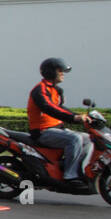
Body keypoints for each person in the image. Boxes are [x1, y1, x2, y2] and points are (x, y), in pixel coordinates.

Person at [28, 58, 90, 186]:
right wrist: (73, 118)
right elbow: (49, 108)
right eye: (60, 71)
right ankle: (70, 176)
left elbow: (60, 108)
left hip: (57, 129)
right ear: (51, 72)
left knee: (88, 139)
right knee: (75, 139)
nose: (62, 74)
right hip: (42, 132)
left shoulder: (56, 90)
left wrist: (77, 116)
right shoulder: (40, 90)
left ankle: (78, 169)